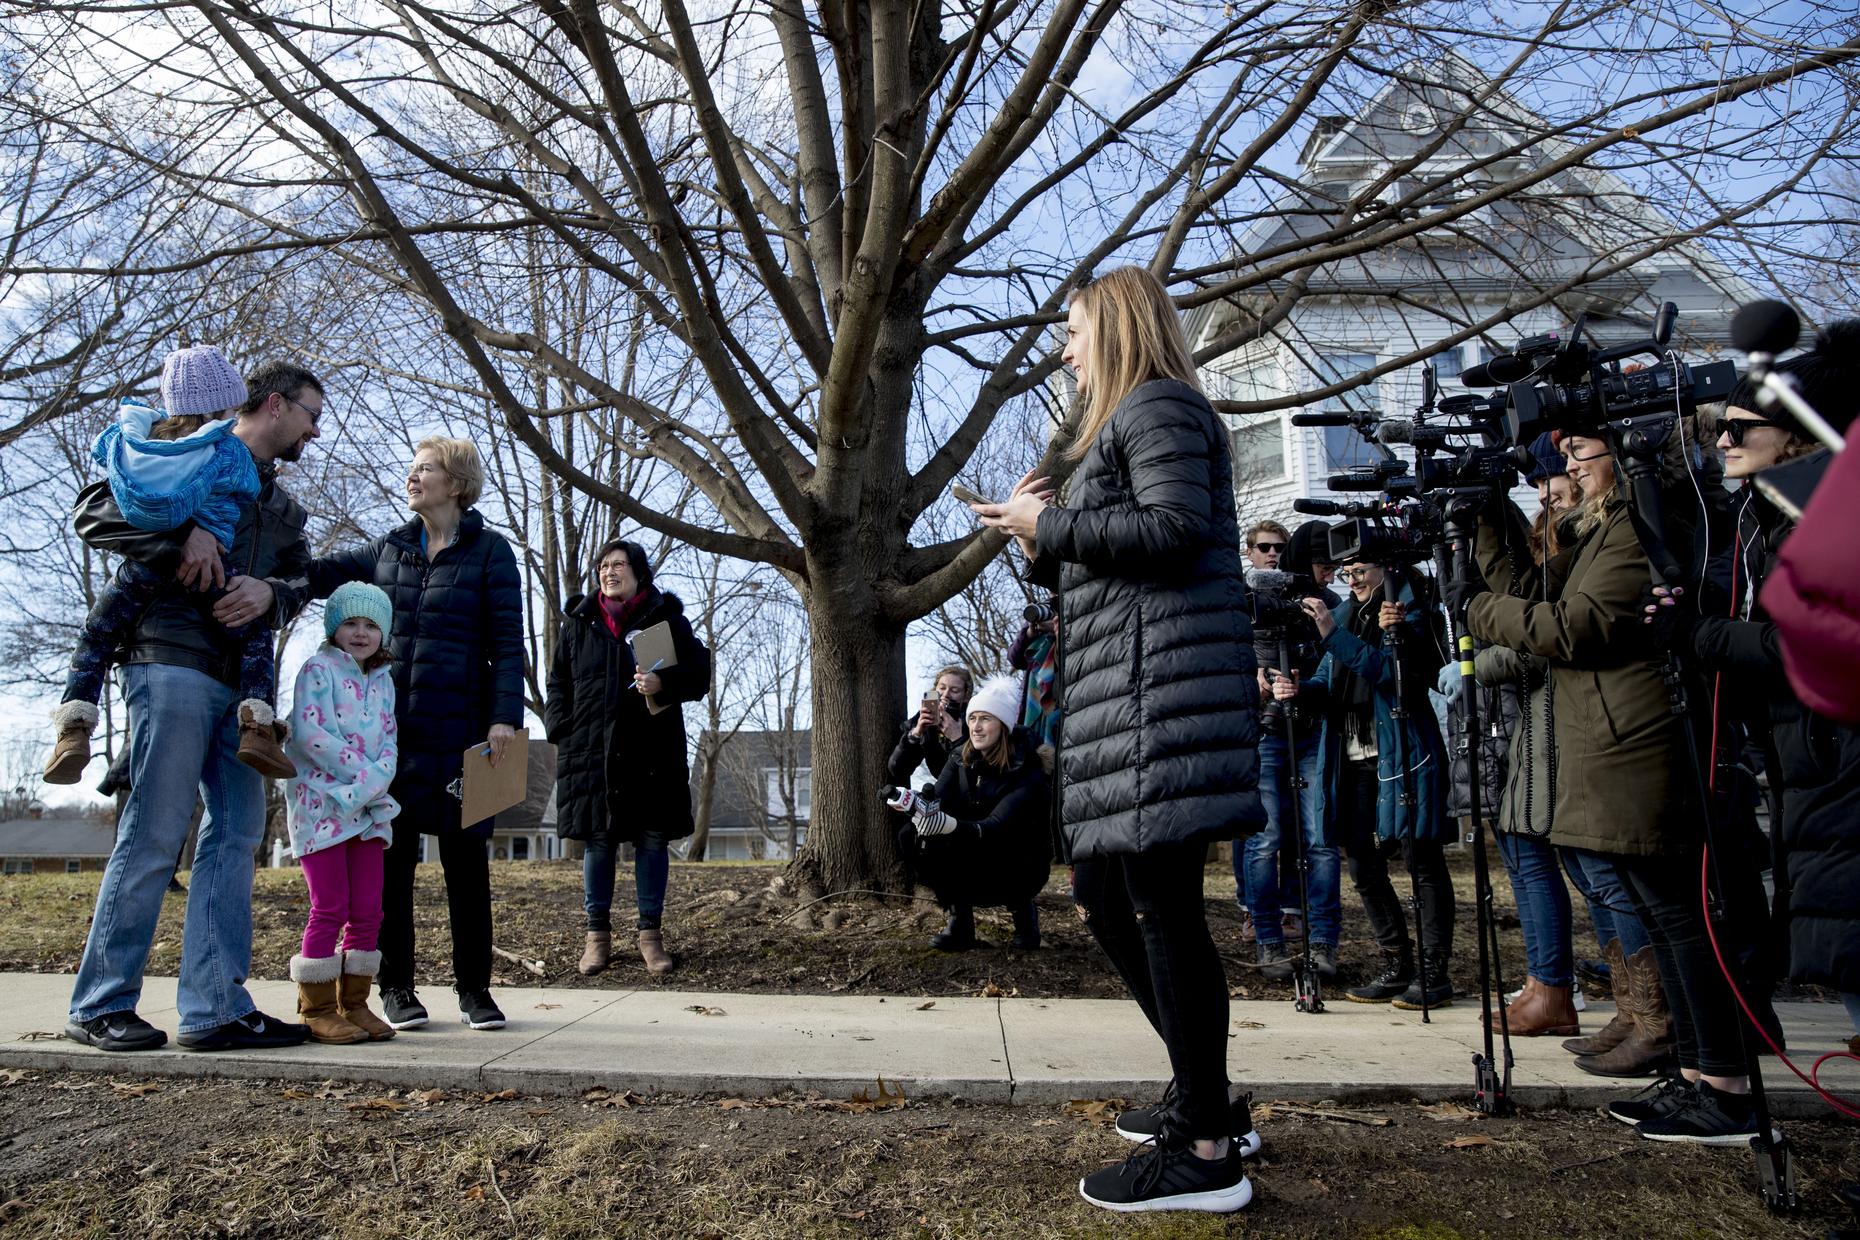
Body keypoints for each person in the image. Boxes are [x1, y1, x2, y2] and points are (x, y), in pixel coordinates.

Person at [975, 265, 1262, 1215]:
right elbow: (1112, 567)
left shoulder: (1159, 406)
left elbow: (1176, 530)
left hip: (1158, 701)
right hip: (1126, 702)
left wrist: (1051, 522)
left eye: (1073, 329)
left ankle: (1207, 1146)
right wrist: (1041, 545)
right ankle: (1203, 1094)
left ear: (1119, 325)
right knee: (1104, 892)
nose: (1064, 348)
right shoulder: (1129, 421)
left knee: (1161, 905)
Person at [1461, 422, 1765, 1144]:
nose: (1569, 465)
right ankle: (1694, 1072)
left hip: (1638, 739)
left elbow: (1578, 624)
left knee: (1680, 915)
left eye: (1579, 453)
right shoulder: (1609, 527)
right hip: (1613, 737)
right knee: (1663, 912)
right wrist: (1487, 516)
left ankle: (1719, 1081)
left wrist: (1478, 612)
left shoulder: (1645, 523)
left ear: (1625, 456)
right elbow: (1531, 587)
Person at [63, 359, 323, 1053]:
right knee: (155, 831)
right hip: (169, 662)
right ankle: (100, 1003)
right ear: (273, 405)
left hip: (242, 692)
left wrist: (275, 594)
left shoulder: (285, 509)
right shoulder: (180, 453)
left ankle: (213, 1009)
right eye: (310, 415)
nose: (315, 432)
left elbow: (299, 577)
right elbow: (93, 510)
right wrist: (181, 536)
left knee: (237, 834)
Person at [1672, 328, 1860, 1078]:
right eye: (1718, 427)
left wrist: (1706, 635)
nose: (1722, 440)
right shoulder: (1763, 517)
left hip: (1837, 756)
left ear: (1803, 433)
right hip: (1806, 759)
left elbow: (1801, 642)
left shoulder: (1829, 525)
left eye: (1742, 428)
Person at [309, 435, 524, 1033]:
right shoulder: (388, 550)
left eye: (424, 469)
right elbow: (321, 574)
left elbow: (509, 642)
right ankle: (396, 987)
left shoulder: (490, 553)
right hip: (388, 739)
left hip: (463, 737)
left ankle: (475, 990)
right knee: (391, 865)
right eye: (411, 469)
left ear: (455, 484)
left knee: (466, 866)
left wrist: (503, 716)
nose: (412, 478)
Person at [45, 346, 293, 785]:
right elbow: (92, 507)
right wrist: (185, 534)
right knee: (255, 635)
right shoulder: (227, 451)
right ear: (219, 405)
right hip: (211, 571)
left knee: (99, 633)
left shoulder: (138, 441)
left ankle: (74, 728)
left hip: (142, 574)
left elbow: (112, 471)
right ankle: (257, 726)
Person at [1276, 560, 1454, 1009]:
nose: (1350, 580)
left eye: (1359, 570)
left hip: (1403, 753)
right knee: (1363, 866)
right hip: (1353, 758)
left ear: (1386, 568)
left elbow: (1391, 672)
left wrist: (1331, 632)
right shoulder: (1349, 618)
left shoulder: (1407, 612)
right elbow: (1327, 680)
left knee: (1421, 861)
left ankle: (1436, 971)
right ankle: (1398, 962)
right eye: (1346, 571)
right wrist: (1298, 690)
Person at [1457, 438, 1581, 1038]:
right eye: (1537, 491)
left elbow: (1542, 636)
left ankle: (1560, 986)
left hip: (1558, 729)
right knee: (1532, 860)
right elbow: (1518, 594)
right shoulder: (1544, 540)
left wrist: (1487, 659)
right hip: (1528, 733)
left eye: (1555, 487)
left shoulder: (1592, 543)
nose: (1547, 498)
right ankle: (1545, 983)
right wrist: (1485, 509)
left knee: (1589, 874)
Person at [546, 539, 712, 977]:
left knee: (652, 839)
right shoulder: (579, 623)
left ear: (639, 573)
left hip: (652, 752)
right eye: (603, 565)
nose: (609, 571)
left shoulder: (666, 619)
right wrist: (562, 727)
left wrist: (664, 683)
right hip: (591, 752)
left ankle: (649, 937)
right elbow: (557, 682)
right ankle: (596, 937)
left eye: (618, 564)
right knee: (598, 840)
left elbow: (700, 674)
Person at [284, 582, 400, 1044]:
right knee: (330, 906)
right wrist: (367, 779)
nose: (360, 632)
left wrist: (376, 782)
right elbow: (309, 735)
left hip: (370, 814)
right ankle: (317, 1009)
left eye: (371, 625)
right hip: (322, 808)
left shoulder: (385, 680)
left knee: (369, 910)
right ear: (334, 628)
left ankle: (354, 1004)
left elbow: (390, 742)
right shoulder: (317, 670)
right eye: (350, 623)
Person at [1239, 522, 1342, 982]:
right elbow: (1222, 655)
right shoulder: (1245, 602)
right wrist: (1254, 676)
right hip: (1264, 730)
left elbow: (1340, 661)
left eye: (1281, 549)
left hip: (1313, 728)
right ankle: (1268, 941)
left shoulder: (1328, 604)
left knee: (1320, 841)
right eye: (1266, 549)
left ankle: (1323, 942)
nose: (1274, 556)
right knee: (1265, 839)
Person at [887, 675, 1051, 951]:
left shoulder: (1027, 770)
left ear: (1004, 726)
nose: (975, 727)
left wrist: (947, 825)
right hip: (974, 848)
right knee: (910, 836)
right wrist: (910, 803)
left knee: (1005, 847)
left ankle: (1024, 916)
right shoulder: (959, 758)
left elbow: (996, 827)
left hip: (1017, 860)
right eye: (973, 719)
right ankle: (960, 921)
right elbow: (935, 798)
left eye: (985, 719)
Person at [888, 666, 972, 786]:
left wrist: (958, 738)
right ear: (934, 689)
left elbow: (979, 771)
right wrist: (915, 734)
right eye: (942, 688)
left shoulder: (974, 721)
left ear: (966, 697)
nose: (945, 694)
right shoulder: (922, 724)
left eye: (954, 690)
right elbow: (898, 769)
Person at [1006, 605, 1060, 748]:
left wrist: (1057, 628)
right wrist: (1029, 633)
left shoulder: (1070, 604)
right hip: (1034, 693)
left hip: (1058, 694)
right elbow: (1014, 658)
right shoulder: (1042, 608)